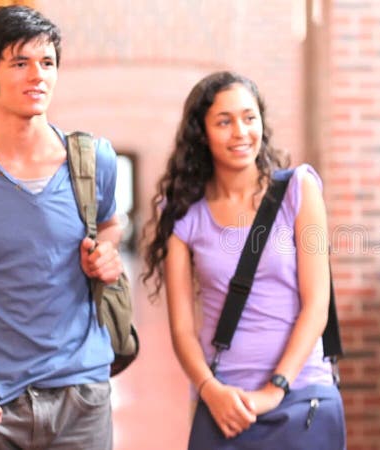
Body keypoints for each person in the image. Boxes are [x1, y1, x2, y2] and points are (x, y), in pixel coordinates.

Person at [143, 71, 346, 449]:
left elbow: (317, 304)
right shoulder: (184, 213)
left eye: (249, 118)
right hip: (224, 404)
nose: (240, 131)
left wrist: (275, 388)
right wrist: (210, 389)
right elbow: (182, 329)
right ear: (202, 133)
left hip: (302, 396)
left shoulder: (298, 191)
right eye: (224, 121)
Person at [0, 5, 123, 449]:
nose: (37, 75)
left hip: (82, 400)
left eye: (47, 62)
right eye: (20, 62)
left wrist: (107, 254)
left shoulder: (93, 162)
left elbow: (111, 222)